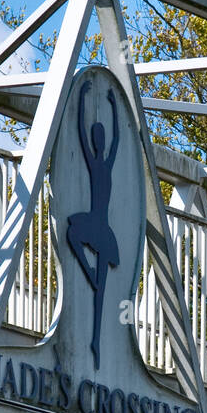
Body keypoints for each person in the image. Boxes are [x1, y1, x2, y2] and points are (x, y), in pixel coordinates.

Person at [66, 82, 121, 367]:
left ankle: (96, 342)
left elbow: (118, 139)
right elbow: (79, 128)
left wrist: (114, 106)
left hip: (103, 228)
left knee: (102, 292)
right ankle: (88, 271)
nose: (98, 140)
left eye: (100, 136)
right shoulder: (94, 162)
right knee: (72, 233)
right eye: (96, 136)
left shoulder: (108, 163)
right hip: (94, 222)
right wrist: (83, 97)